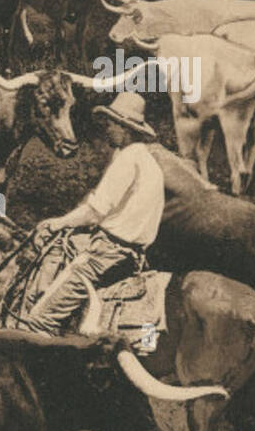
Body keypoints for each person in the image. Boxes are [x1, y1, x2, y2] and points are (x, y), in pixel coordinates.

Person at [19, 92, 164, 334]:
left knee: (40, 319)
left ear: (125, 129)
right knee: (59, 249)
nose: (107, 128)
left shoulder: (128, 160)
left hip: (107, 254)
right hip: (132, 253)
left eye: (111, 123)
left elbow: (94, 213)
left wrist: (58, 223)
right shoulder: (148, 162)